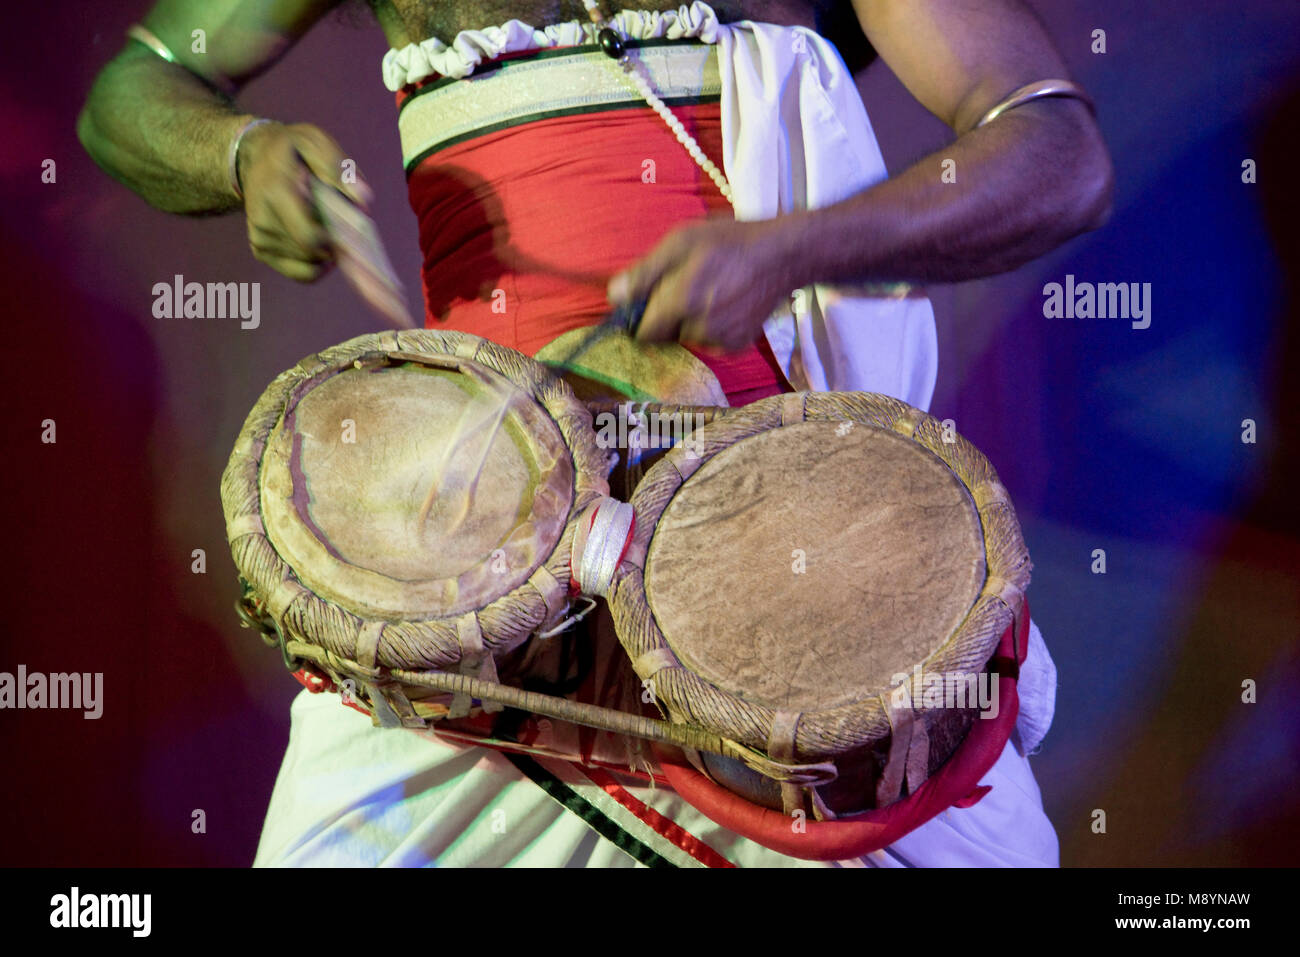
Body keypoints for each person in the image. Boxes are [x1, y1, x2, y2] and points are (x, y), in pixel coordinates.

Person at [79, 0, 1112, 867]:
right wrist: (242, 154)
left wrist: (796, 248)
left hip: (793, 587)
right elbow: (137, 88)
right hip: (474, 591)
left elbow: (1053, 147)